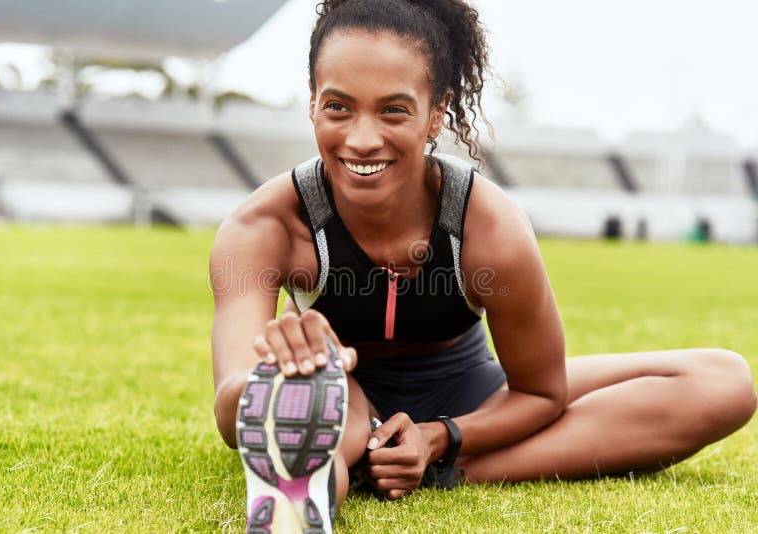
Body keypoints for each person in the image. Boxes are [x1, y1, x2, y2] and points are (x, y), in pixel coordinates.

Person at [209, 0, 757, 531]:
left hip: (469, 396)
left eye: (394, 109)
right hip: (340, 393)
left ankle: (424, 471)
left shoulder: (487, 225)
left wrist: (441, 437)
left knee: (722, 381)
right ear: (311, 104)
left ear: (435, 114)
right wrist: (273, 382)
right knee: (323, 412)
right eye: (338, 107)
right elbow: (230, 411)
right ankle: (309, 484)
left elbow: (540, 393)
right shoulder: (264, 227)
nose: (362, 137)